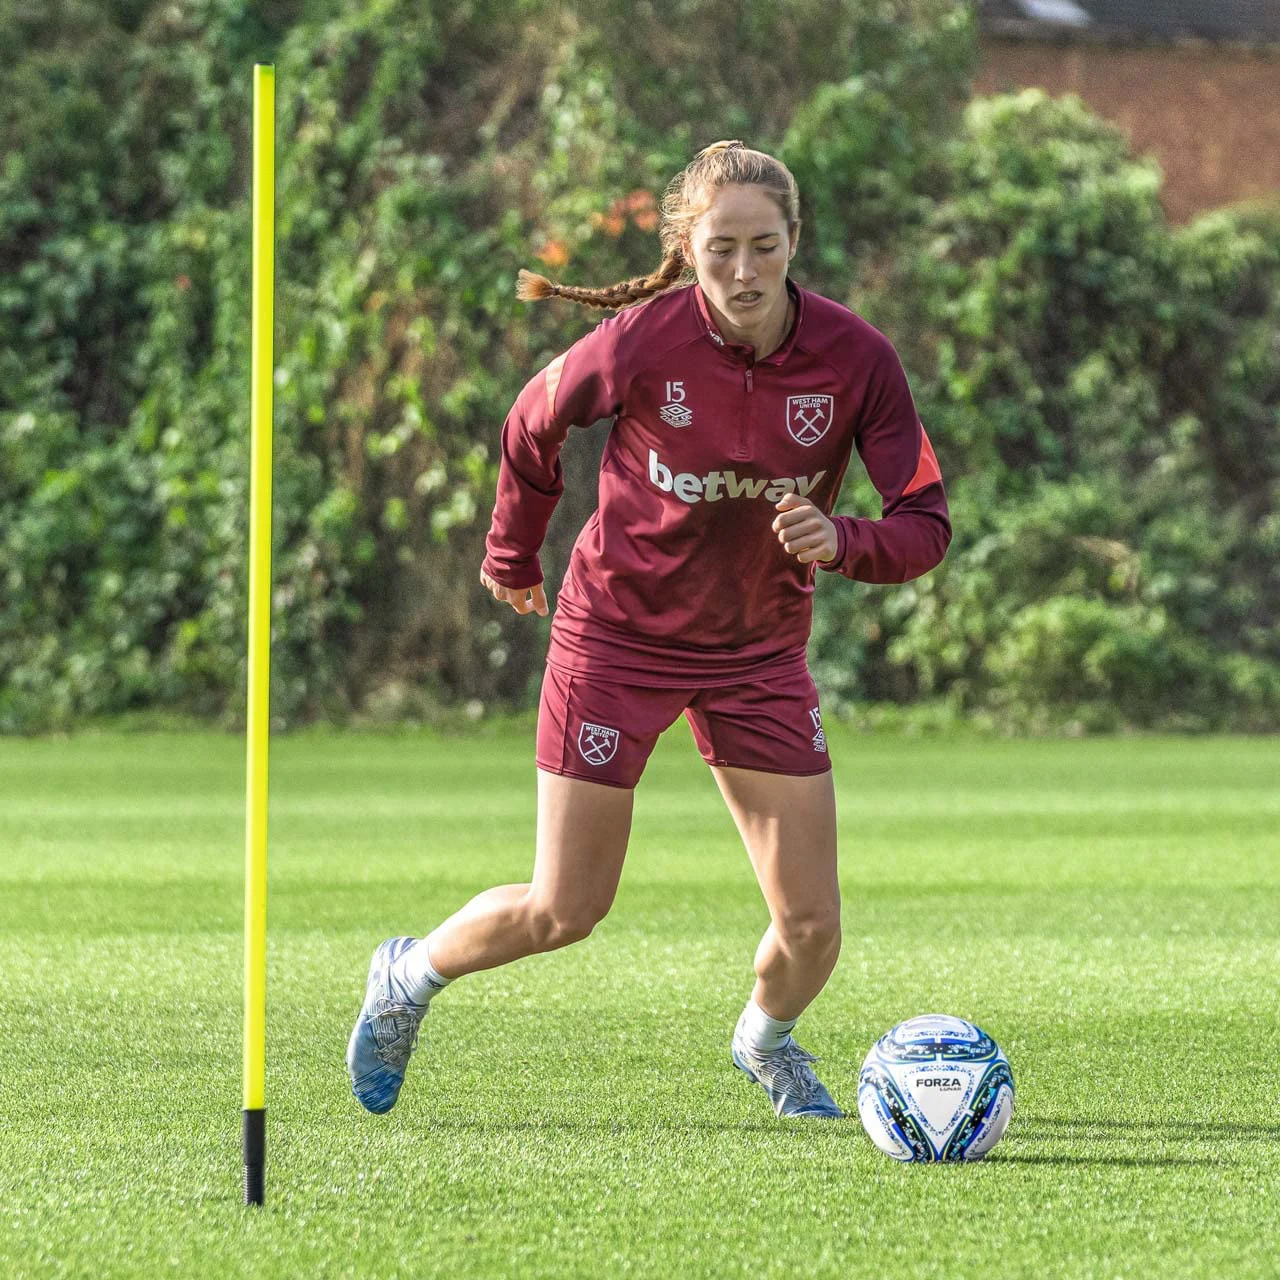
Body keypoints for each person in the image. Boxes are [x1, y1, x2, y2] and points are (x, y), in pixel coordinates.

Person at [347, 140, 951, 1119]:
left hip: (754, 653)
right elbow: (528, 425)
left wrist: (840, 538)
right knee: (564, 909)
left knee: (811, 925)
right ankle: (407, 976)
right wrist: (511, 552)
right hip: (615, 637)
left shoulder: (855, 360)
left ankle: (763, 1042)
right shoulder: (638, 343)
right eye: (720, 249)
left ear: (794, 241)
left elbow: (924, 524)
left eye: (763, 246)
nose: (743, 272)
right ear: (686, 246)